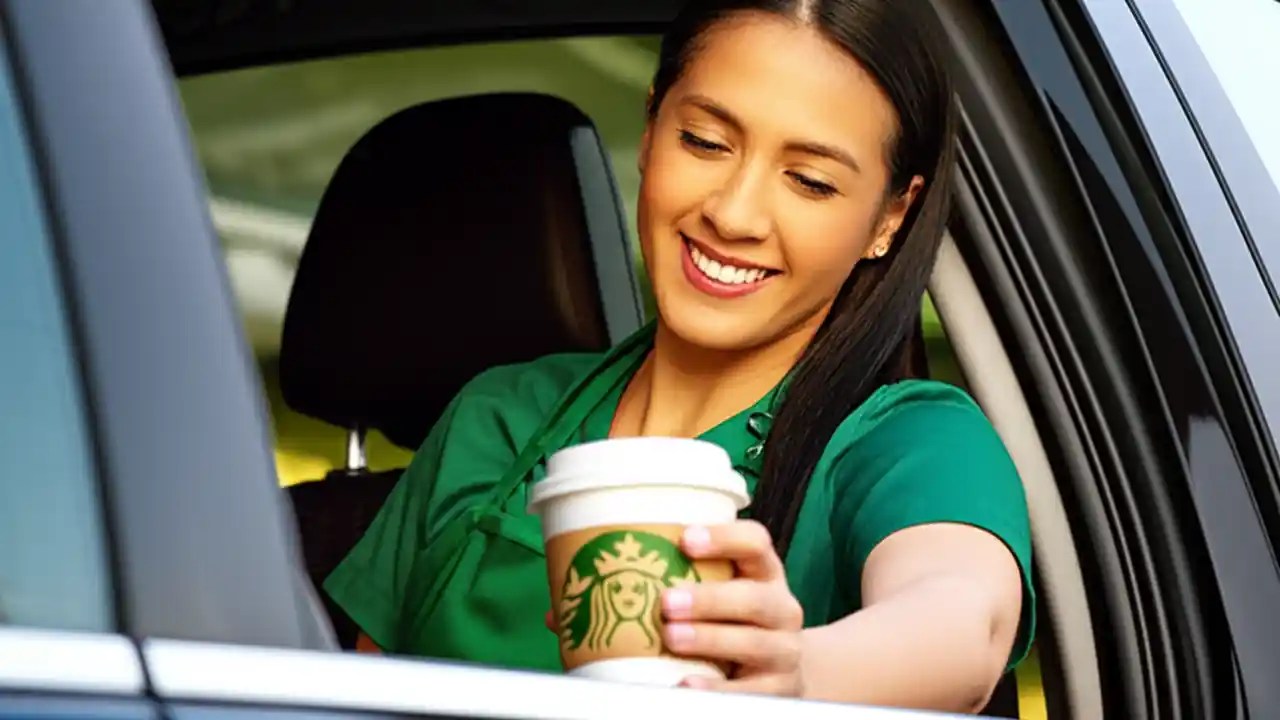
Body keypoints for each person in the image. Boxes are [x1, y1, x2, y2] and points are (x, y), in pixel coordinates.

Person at [323, 0, 1035, 712]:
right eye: (704, 141)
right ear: (651, 127)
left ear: (889, 217)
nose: (734, 214)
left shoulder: (909, 443)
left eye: (810, 181)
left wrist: (798, 673)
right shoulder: (497, 417)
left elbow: (964, 619)